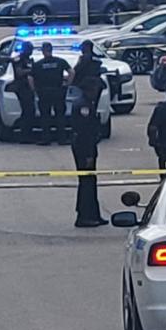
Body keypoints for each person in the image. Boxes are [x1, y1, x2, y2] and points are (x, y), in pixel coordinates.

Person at [70, 79, 107, 227]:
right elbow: (85, 132)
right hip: (84, 147)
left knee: (90, 181)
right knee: (87, 182)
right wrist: (89, 154)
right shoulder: (83, 106)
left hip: (85, 146)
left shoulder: (86, 103)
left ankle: (93, 214)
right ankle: (84, 216)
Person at [32, 43, 74, 145]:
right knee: (60, 116)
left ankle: (46, 139)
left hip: (44, 92)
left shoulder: (38, 64)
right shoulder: (60, 61)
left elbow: (30, 78)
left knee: (45, 116)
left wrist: (34, 90)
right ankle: (62, 139)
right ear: (51, 50)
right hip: (58, 91)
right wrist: (67, 84)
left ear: (42, 51)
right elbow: (72, 72)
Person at [11, 41, 38, 143]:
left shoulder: (30, 60)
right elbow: (19, 72)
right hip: (22, 87)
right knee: (27, 111)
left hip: (29, 88)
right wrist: (31, 70)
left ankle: (28, 134)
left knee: (30, 111)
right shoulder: (19, 59)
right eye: (29, 49)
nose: (30, 51)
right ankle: (24, 136)